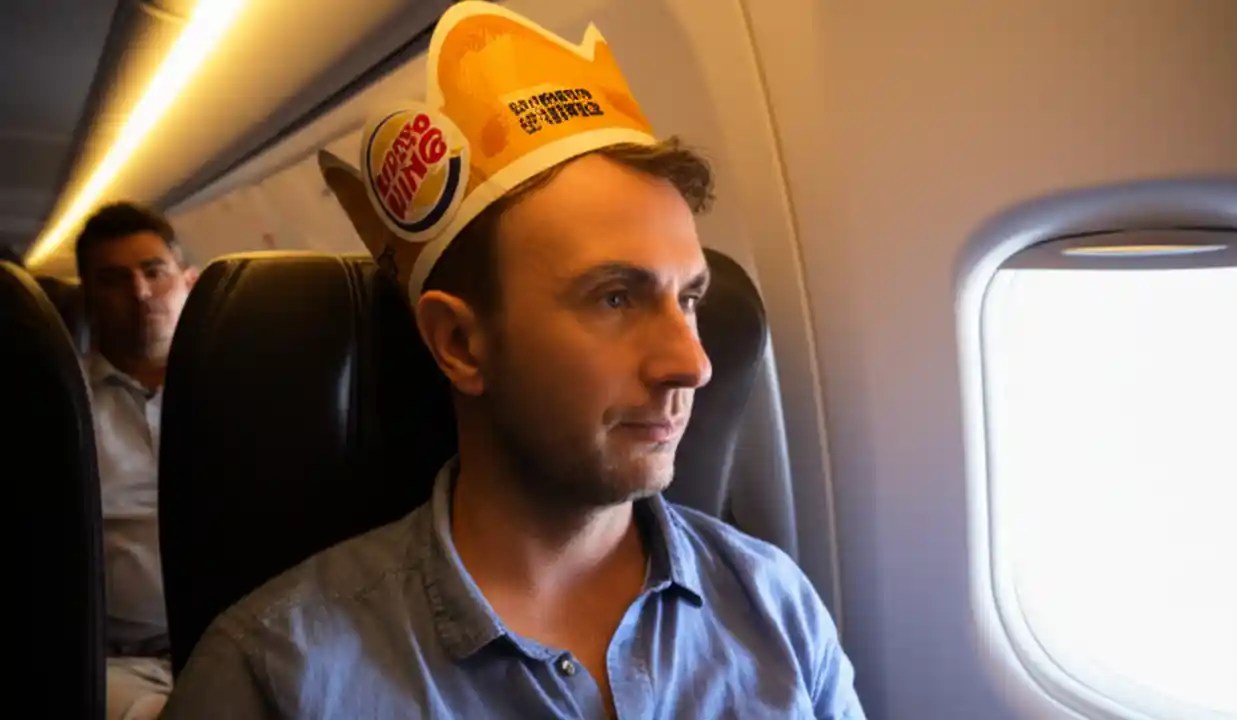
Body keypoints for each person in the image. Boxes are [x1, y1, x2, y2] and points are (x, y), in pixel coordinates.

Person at [163, 3, 867, 718]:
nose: (693, 365)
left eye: (689, 299)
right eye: (617, 298)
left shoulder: (777, 608)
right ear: (462, 344)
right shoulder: (274, 673)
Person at [77, 201, 197, 720]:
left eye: (154, 272)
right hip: (120, 661)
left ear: (188, 281)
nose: (140, 293)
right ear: (88, 298)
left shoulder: (244, 388)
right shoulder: (62, 404)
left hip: (248, 630)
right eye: (113, 279)